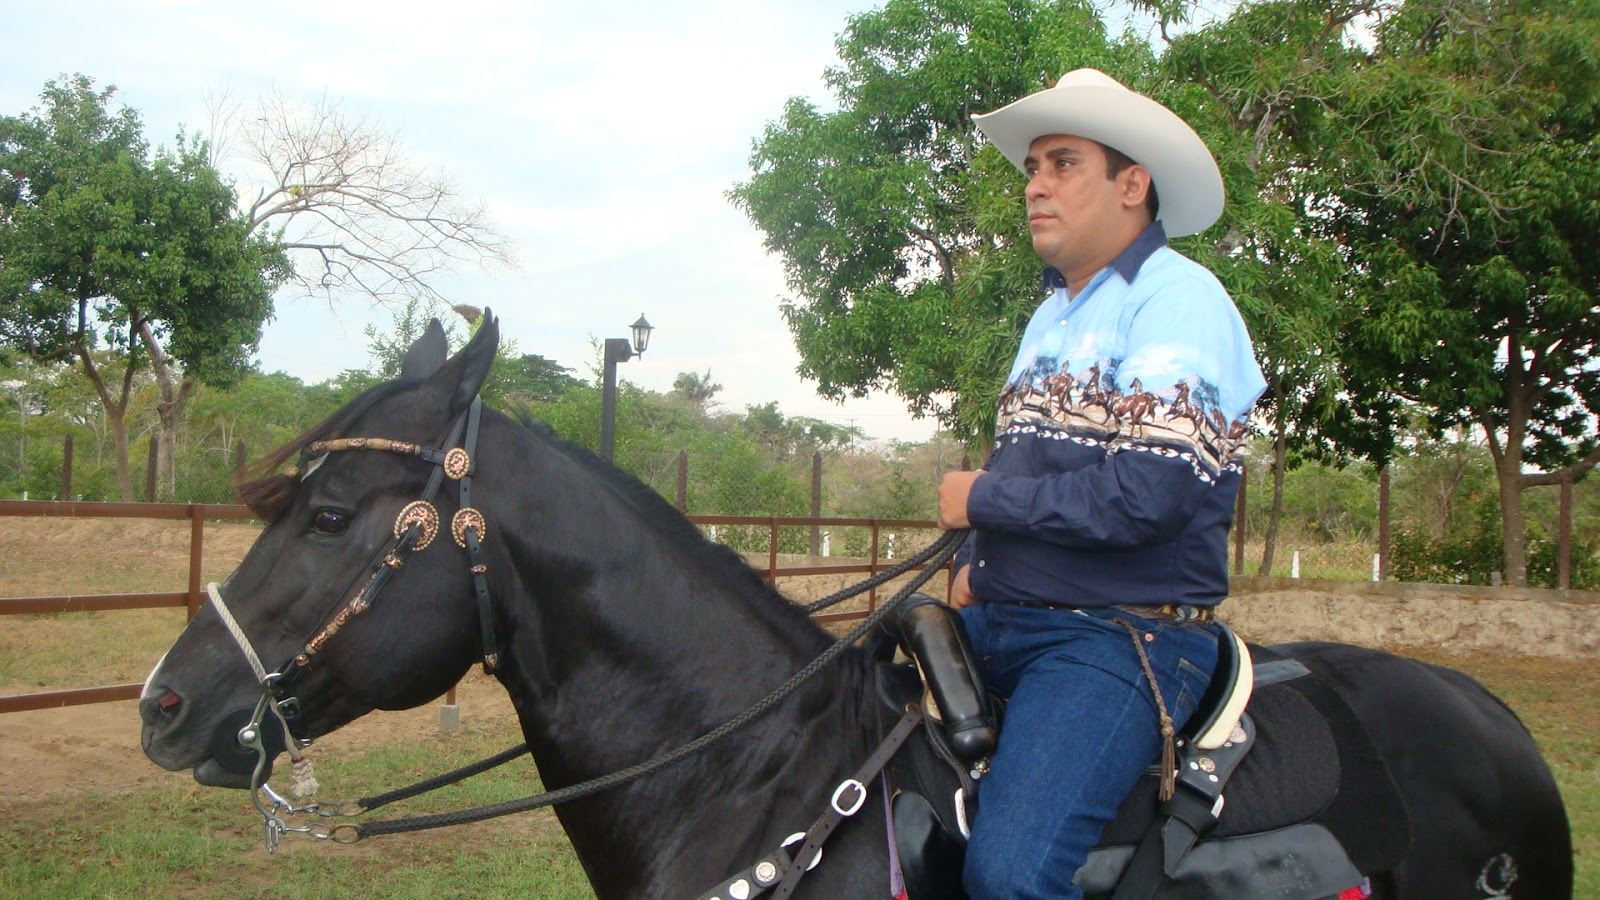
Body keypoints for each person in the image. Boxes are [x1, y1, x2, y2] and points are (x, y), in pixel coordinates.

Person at [936, 68, 1266, 899]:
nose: (1035, 185)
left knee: (1010, 876)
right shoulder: (1052, 315)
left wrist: (981, 501)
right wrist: (974, 560)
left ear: (1132, 185)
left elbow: (1149, 496)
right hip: (1005, 621)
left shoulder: (1181, 300)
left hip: (1120, 639)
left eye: (1063, 164)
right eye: (1032, 169)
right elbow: (1029, 464)